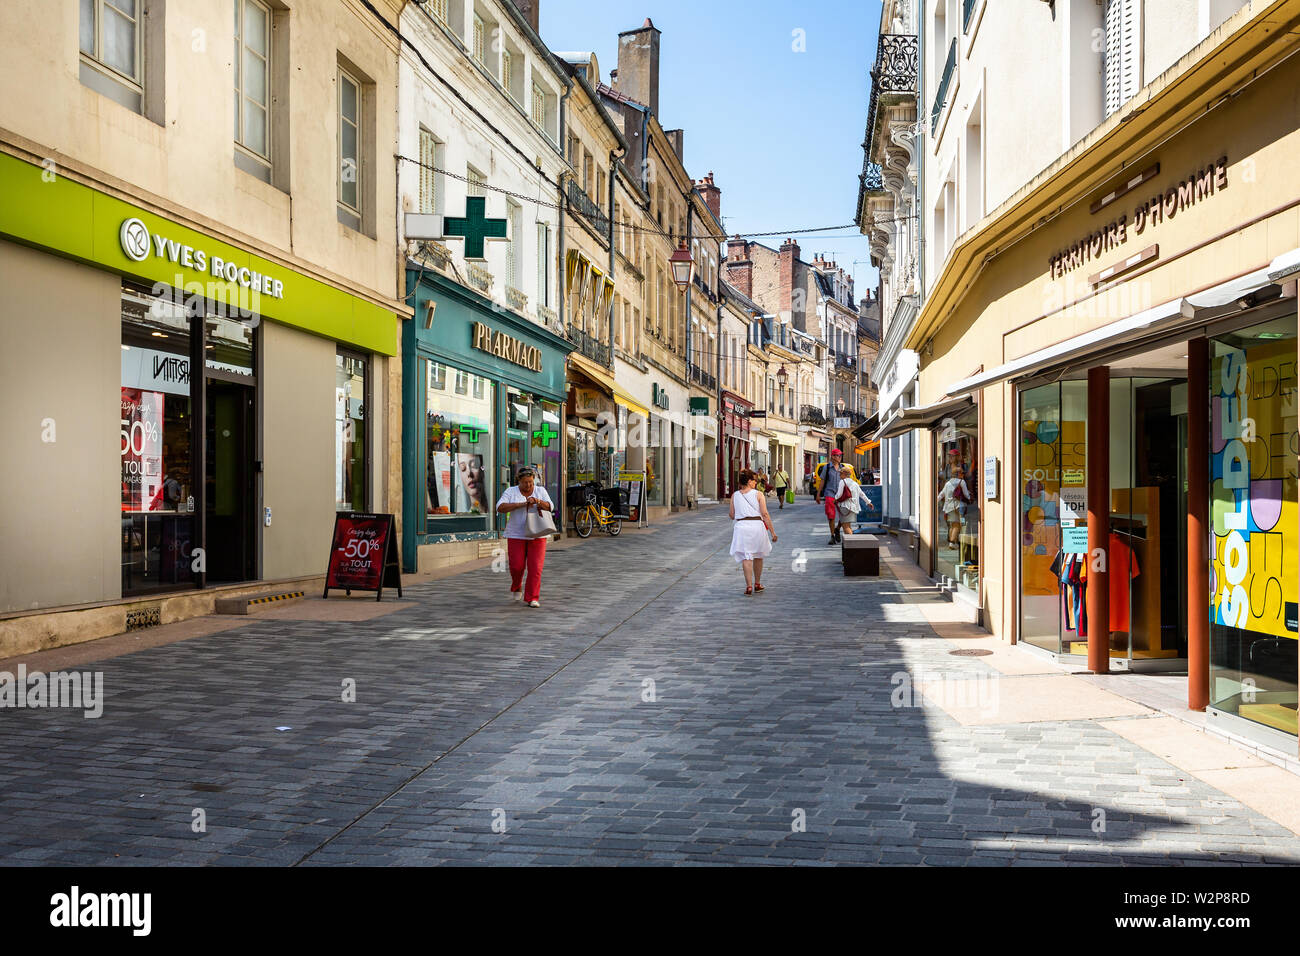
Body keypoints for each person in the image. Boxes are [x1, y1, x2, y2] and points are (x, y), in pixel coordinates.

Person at [495, 467, 553, 607]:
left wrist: (538, 501)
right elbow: (500, 507)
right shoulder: (511, 491)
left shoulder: (540, 491)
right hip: (516, 534)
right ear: (519, 481)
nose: (529, 485)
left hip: (538, 533)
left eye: (531, 482)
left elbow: (550, 506)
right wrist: (521, 504)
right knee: (516, 566)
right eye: (525, 482)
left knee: (535, 567)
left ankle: (533, 597)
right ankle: (517, 585)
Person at [729, 468, 776, 595]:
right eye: (754, 480)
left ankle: (749, 586)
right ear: (749, 481)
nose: (756, 482)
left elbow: (732, 515)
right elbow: (765, 514)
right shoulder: (758, 494)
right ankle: (757, 583)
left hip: (741, 527)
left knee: (746, 557)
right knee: (759, 556)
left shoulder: (735, 495)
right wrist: (772, 532)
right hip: (757, 527)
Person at [818, 449, 854, 544]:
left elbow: (848, 481)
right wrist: (818, 494)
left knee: (843, 515)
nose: (840, 457)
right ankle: (832, 536)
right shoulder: (827, 468)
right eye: (838, 455)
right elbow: (822, 481)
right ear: (833, 456)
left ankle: (837, 529)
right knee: (831, 515)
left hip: (841, 494)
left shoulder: (843, 468)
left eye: (840, 455)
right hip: (829, 493)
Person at [833, 464, 872, 538]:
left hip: (845, 506)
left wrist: (834, 499)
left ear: (844, 474)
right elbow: (862, 494)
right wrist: (868, 502)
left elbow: (839, 494)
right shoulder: (855, 483)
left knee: (846, 527)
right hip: (853, 507)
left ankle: (851, 544)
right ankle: (838, 530)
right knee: (848, 525)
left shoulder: (842, 482)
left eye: (840, 473)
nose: (839, 475)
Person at [938, 464, 969, 548]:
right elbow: (966, 495)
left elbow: (941, 494)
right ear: (958, 474)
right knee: (958, 525)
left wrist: (934, 502)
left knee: (952, 525)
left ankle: (953, 542)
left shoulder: (947, 483)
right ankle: (953, 542)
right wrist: (971, 498)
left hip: (948, 508)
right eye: (962, 473)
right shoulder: (961, 482)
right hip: (958, 507)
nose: (963, 475)